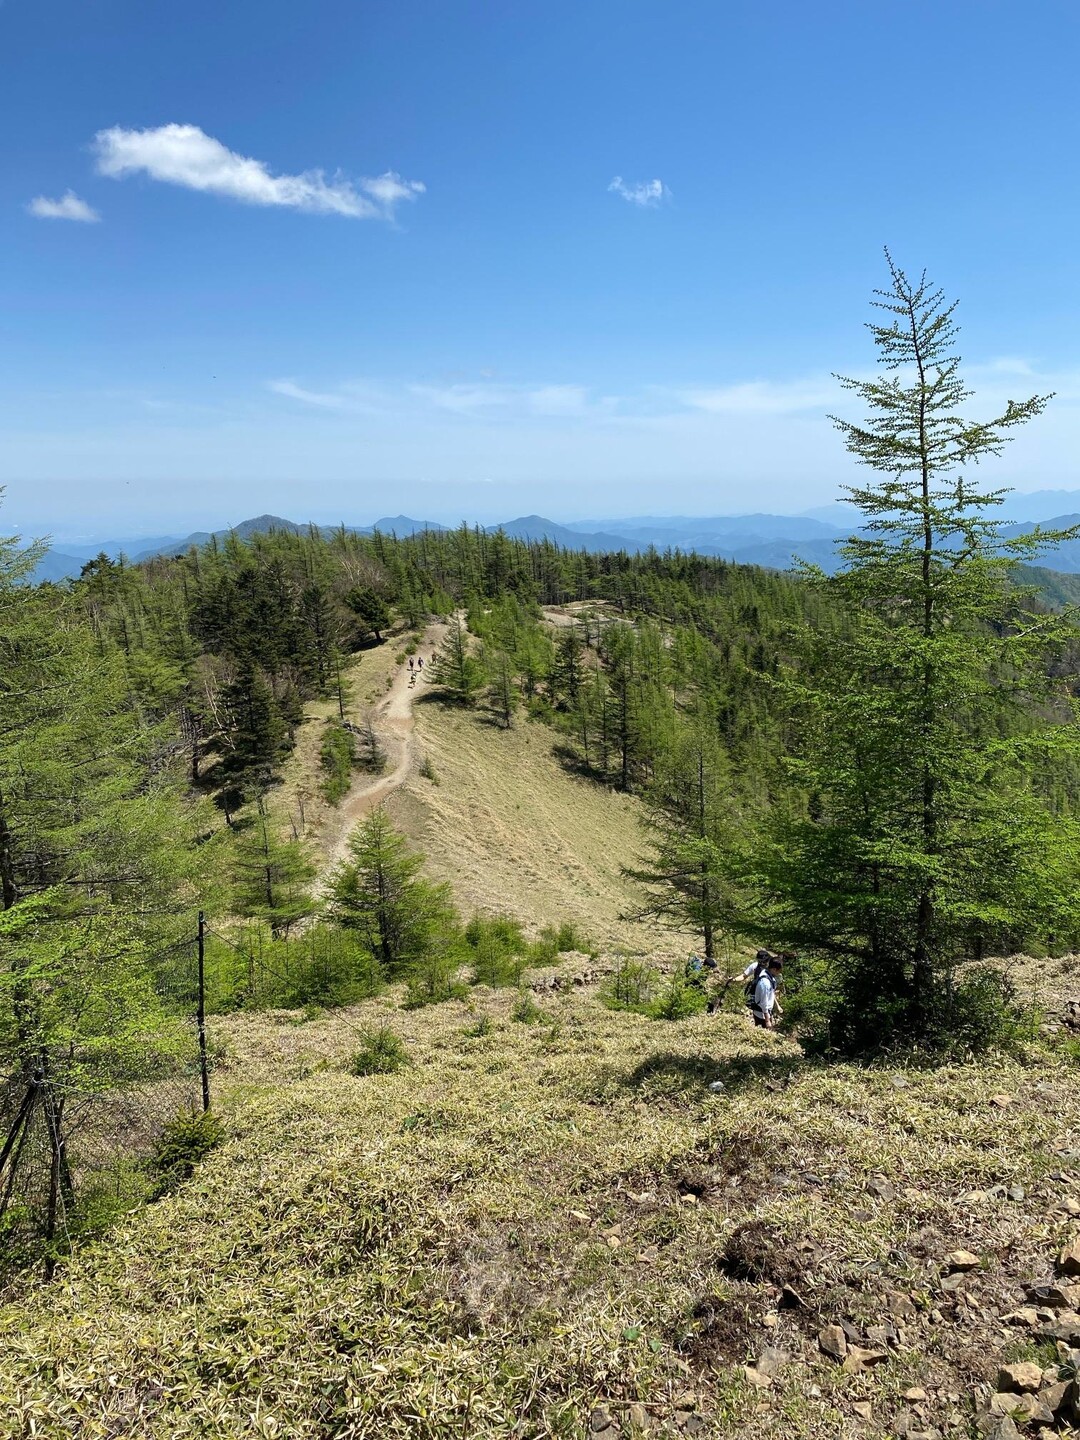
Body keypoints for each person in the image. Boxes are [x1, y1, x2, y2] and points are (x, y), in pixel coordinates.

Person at [750, 956, 784, 1029]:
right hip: (761, 1015)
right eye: (779, 971)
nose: (779, 973)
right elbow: (764, 1002)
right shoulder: (765, 983)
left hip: (766, 1013)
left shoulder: (768, 975)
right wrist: (767, 1020)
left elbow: (771, 993)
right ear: (774, 969)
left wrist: (777, 1006)